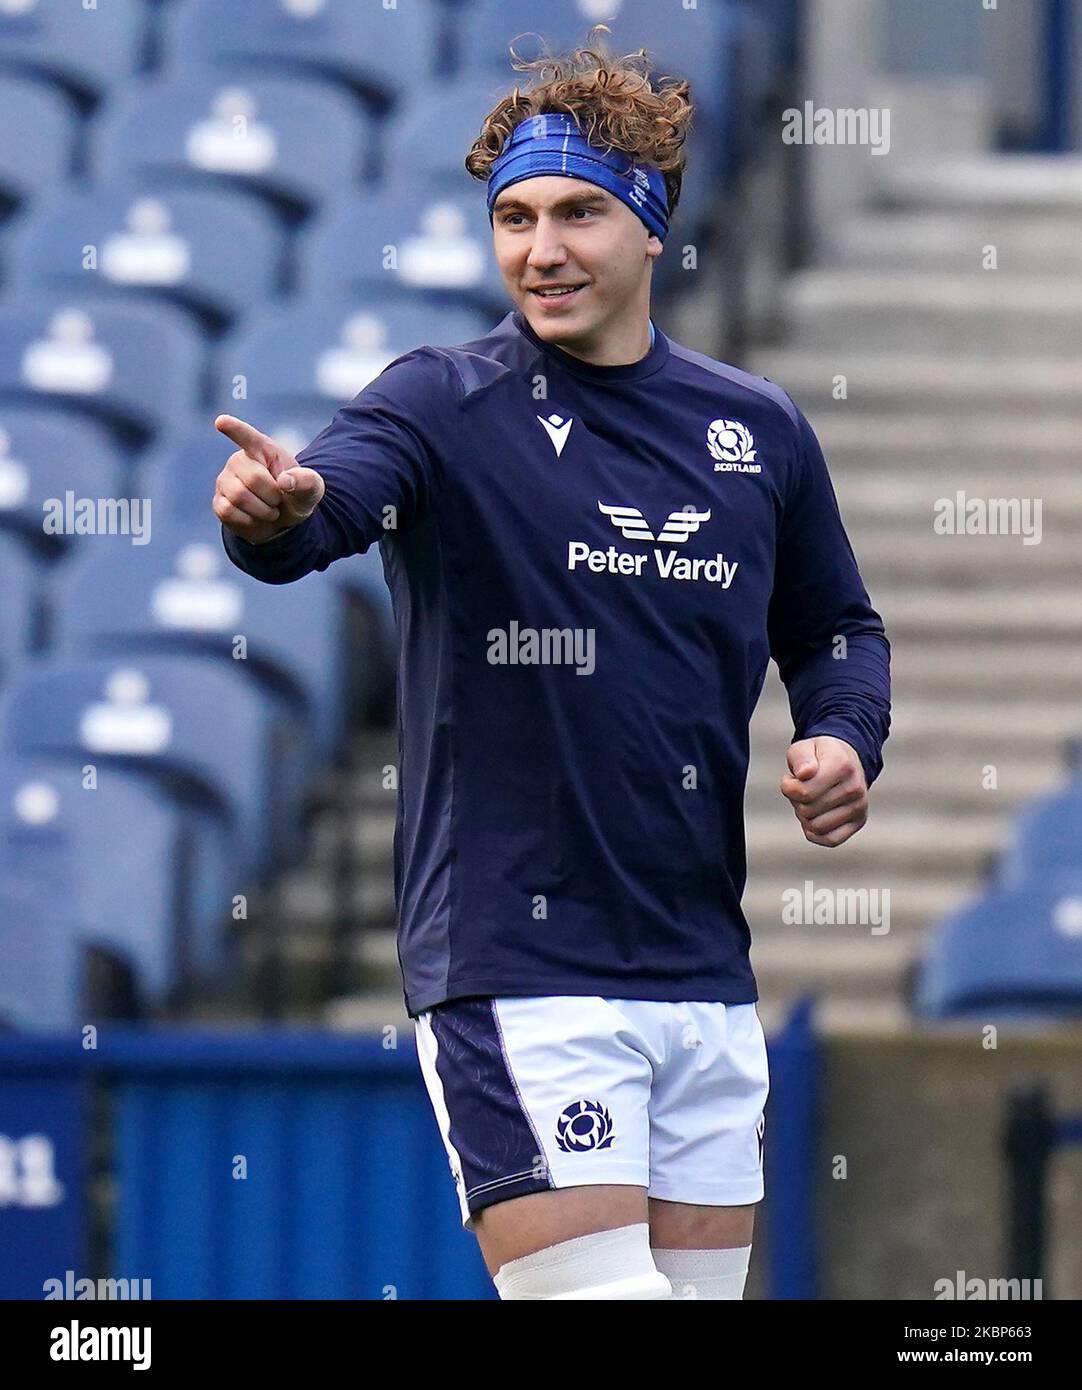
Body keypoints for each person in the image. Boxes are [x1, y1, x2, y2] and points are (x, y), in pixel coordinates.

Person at [214, 35, 891, 1300]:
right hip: (519, 971)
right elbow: (323, 511)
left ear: (650, 229)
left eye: (579, 212)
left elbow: (836, 629)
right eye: (513, 218)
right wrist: (274, 513)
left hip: (700, 974)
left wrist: (846, 736)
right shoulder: (438, 401)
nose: (541, 247)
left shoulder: (756, 430)